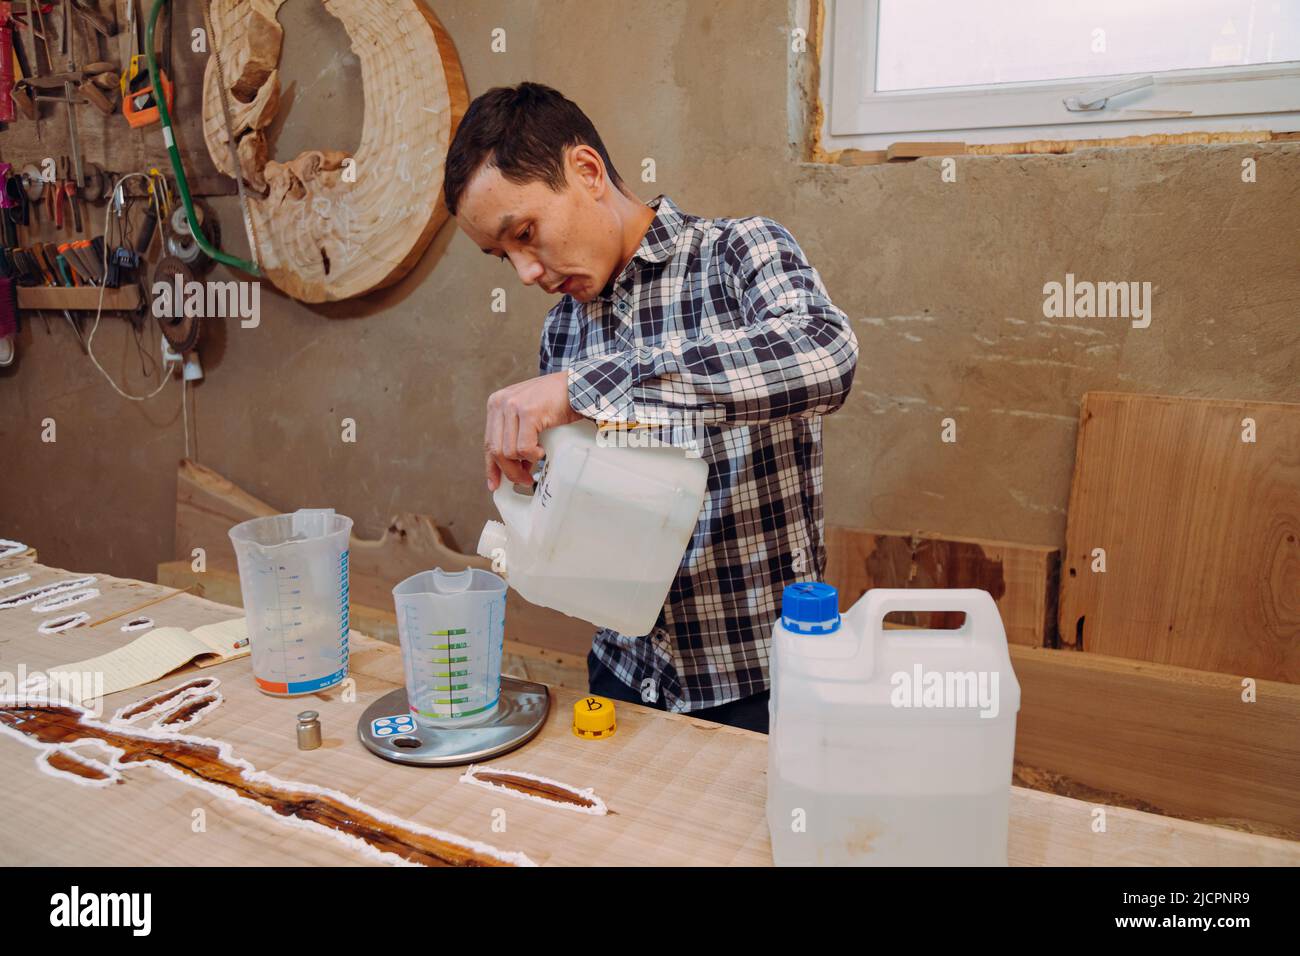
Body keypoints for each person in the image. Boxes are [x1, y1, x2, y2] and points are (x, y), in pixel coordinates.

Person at [443, 82, 858, 733]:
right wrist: (542, 504)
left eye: (526, 233)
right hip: (621, 674)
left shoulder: (739, 252)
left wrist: (585, 389)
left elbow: (824, 355)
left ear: (586, 171)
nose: (526, 272)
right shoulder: (564, 329)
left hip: (758, 685)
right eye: (504, 257)